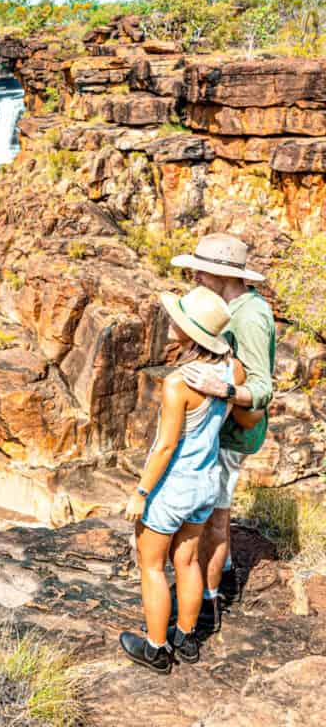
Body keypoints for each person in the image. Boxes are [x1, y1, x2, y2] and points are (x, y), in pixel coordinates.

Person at [120, 286, 259, 673]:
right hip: (206, 483)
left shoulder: (180, 382)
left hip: (173, 486)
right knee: (187, 561)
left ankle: (155, 649)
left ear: (190, 333)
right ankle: (186, 637)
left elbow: (165, 447)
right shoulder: (232, 370)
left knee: (151, 565)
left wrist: (141, 492)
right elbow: (246, 408)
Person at [170, 234, 276, 633]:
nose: (195, 275)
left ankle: (206, 609)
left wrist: (224, 390)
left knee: (214, 518)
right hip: (223, 428)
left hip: (233, 433)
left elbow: (263, 388)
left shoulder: (250, 316)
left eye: (201, 270)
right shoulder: (231, 305)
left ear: (222, 274)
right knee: (216, 510)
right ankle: (224, 574)